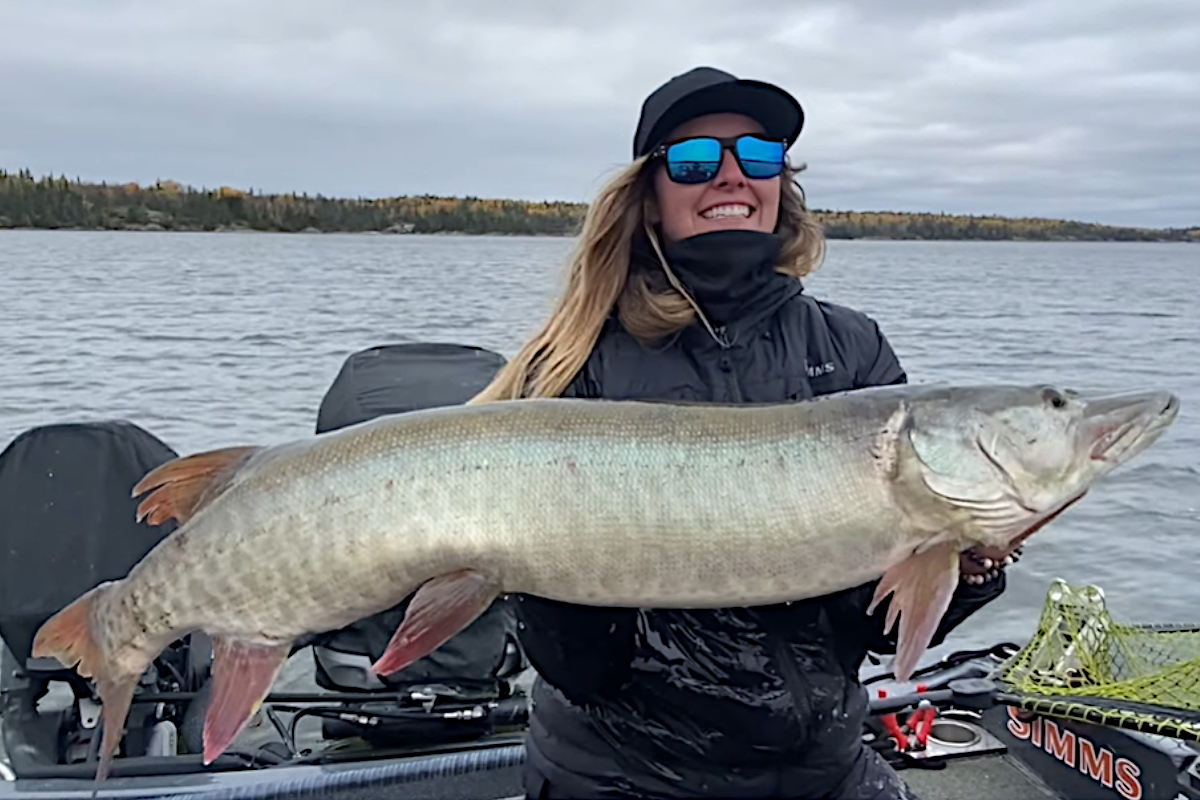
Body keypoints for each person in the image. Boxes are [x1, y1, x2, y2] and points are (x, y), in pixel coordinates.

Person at [473, 66, 1018, 800]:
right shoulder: (575, 360)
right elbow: (581, 673)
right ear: (649, 195)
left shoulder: (851, 348)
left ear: (780, 186)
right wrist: (545, 566)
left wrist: (969, 564)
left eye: (758, 158)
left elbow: (880, 632)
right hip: (623, 778)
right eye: (696, 161)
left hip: (821, 767)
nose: (731, 176)